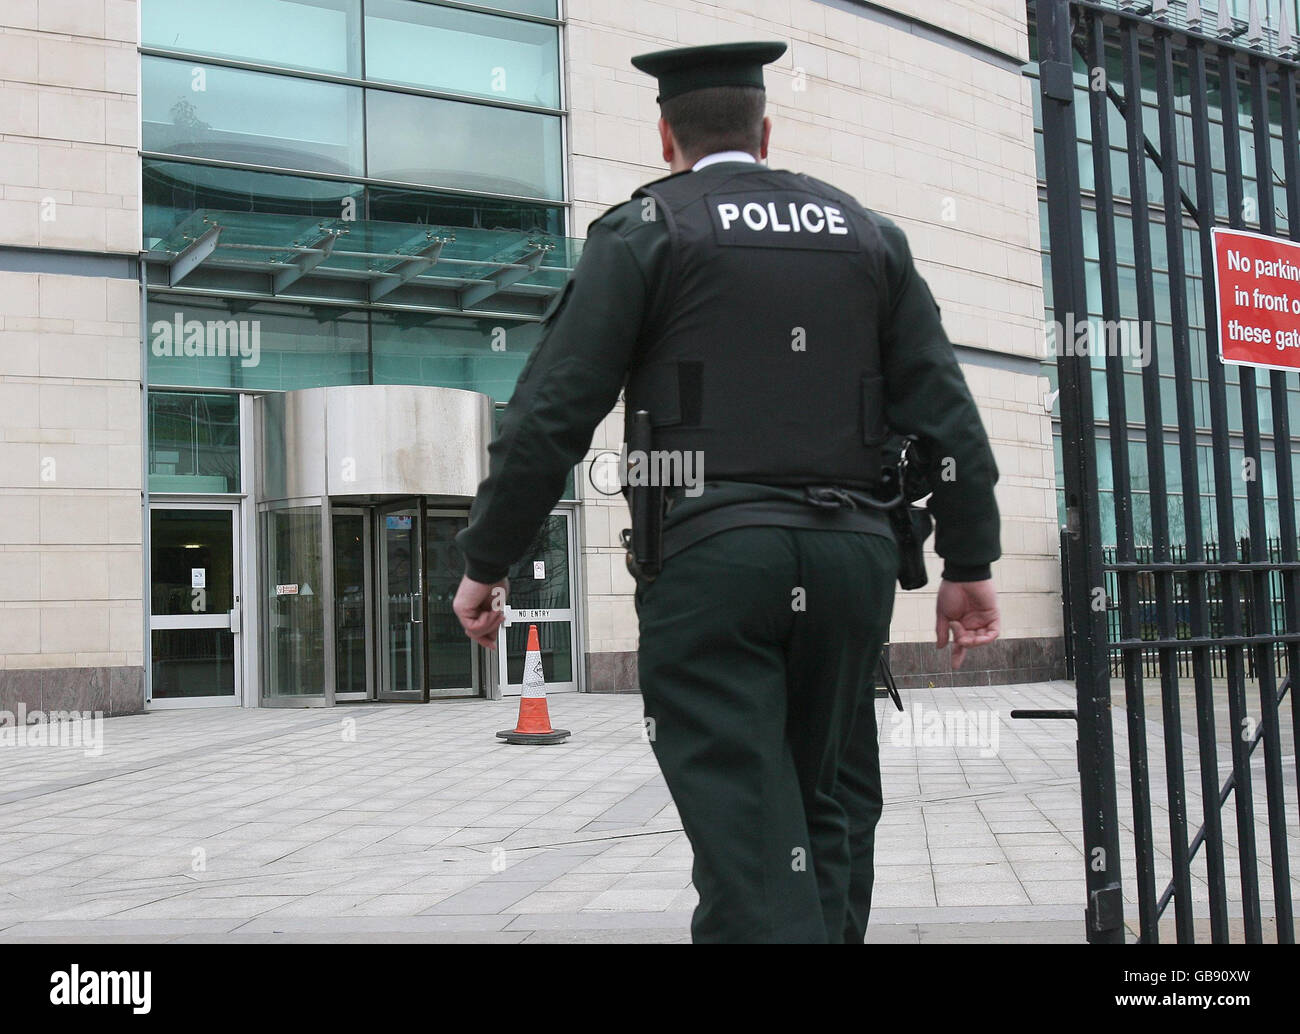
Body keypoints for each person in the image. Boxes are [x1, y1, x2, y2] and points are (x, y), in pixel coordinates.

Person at [453, 41, 1002, 943]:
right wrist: (968, 557)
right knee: (828, 810)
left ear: (665, 134)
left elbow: (551, 414)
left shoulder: (645, 233)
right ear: (766, 131)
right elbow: (948, 414)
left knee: (749, 834)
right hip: (853, 559)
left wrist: (488, 559)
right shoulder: (869, 235)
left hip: (713, 566)